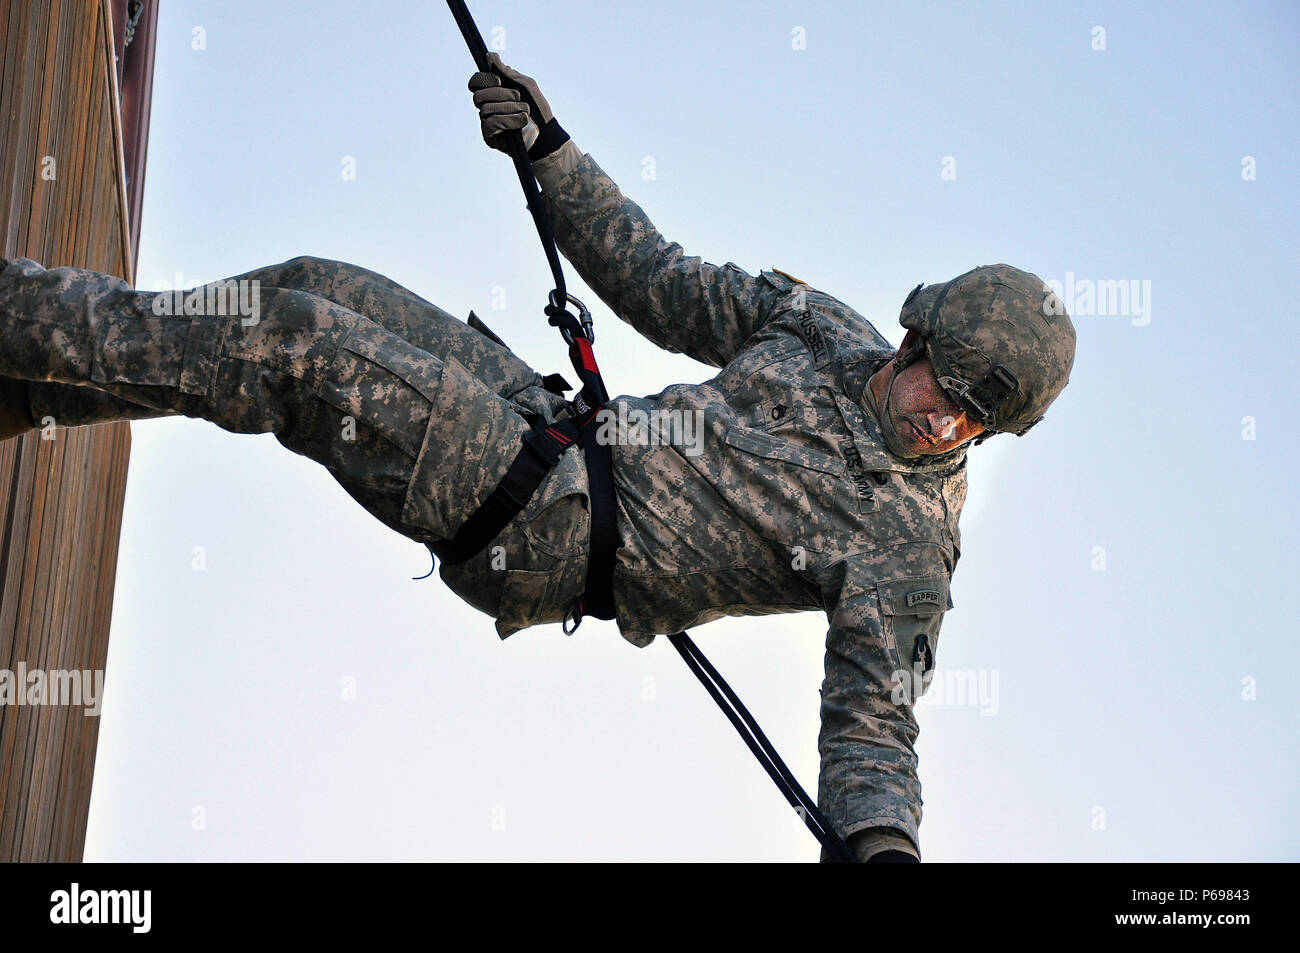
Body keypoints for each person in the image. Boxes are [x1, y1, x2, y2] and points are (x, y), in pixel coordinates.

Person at [0, 54, 1075, 862]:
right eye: (950, 389)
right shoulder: (820, 330)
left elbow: (876, 725)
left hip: (548, 528)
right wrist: (552, 150)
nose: (949, 424)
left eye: (980, 421)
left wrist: (882, 842)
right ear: (915, 338)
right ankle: (22, 387)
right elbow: (656, 277)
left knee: (296, 346)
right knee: (309, 285)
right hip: (546, 429)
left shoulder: (908, 547)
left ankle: (13, 311)